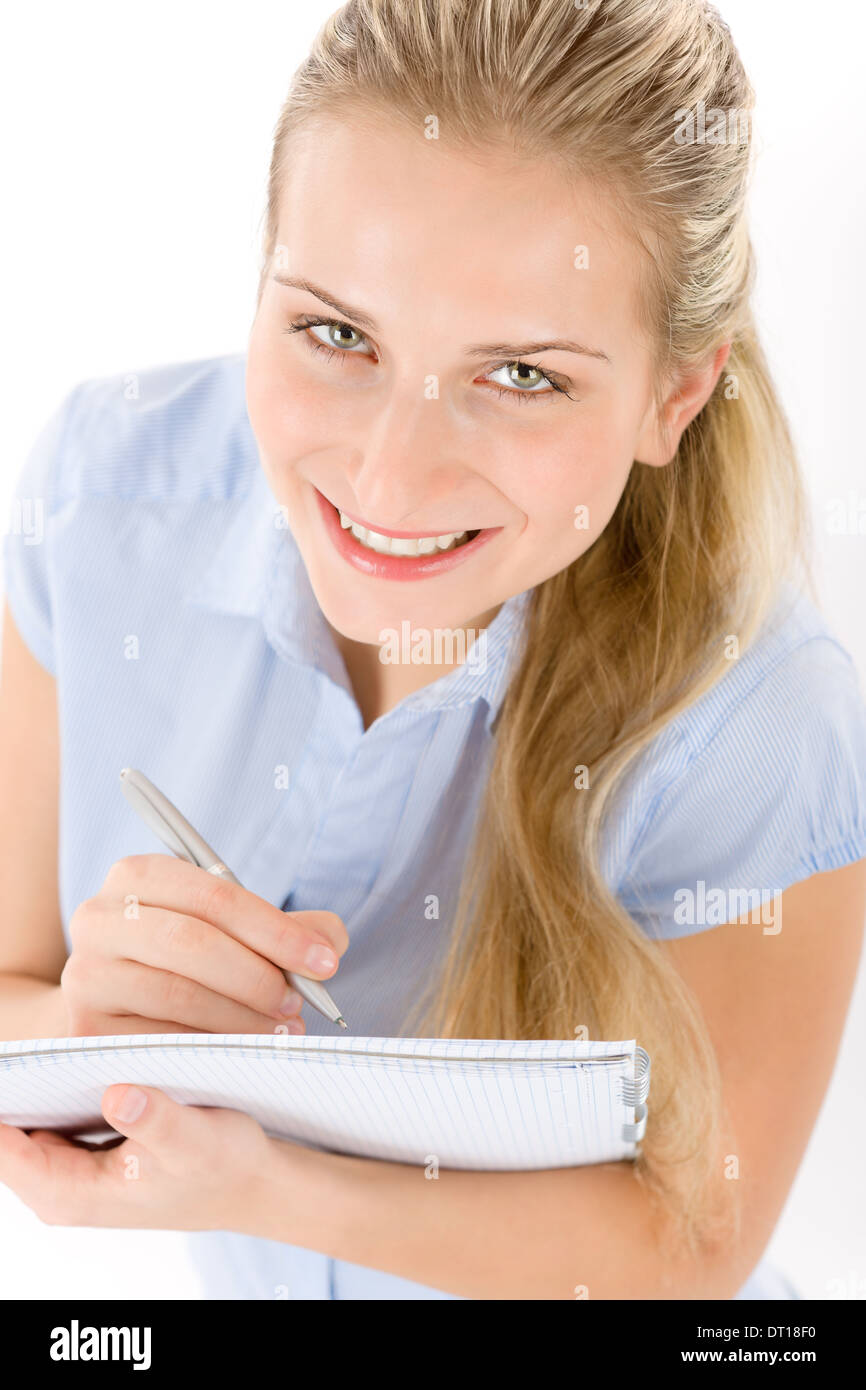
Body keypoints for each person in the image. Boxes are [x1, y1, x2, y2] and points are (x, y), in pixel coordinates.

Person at [1, 0, 864, 1300]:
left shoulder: (760, 714)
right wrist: (94, 1028)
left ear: (674, 394)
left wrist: (259, 1176)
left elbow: (689, 1238)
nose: (387, 478)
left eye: (519, 374)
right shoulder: (103, 505)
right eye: (336, 333)